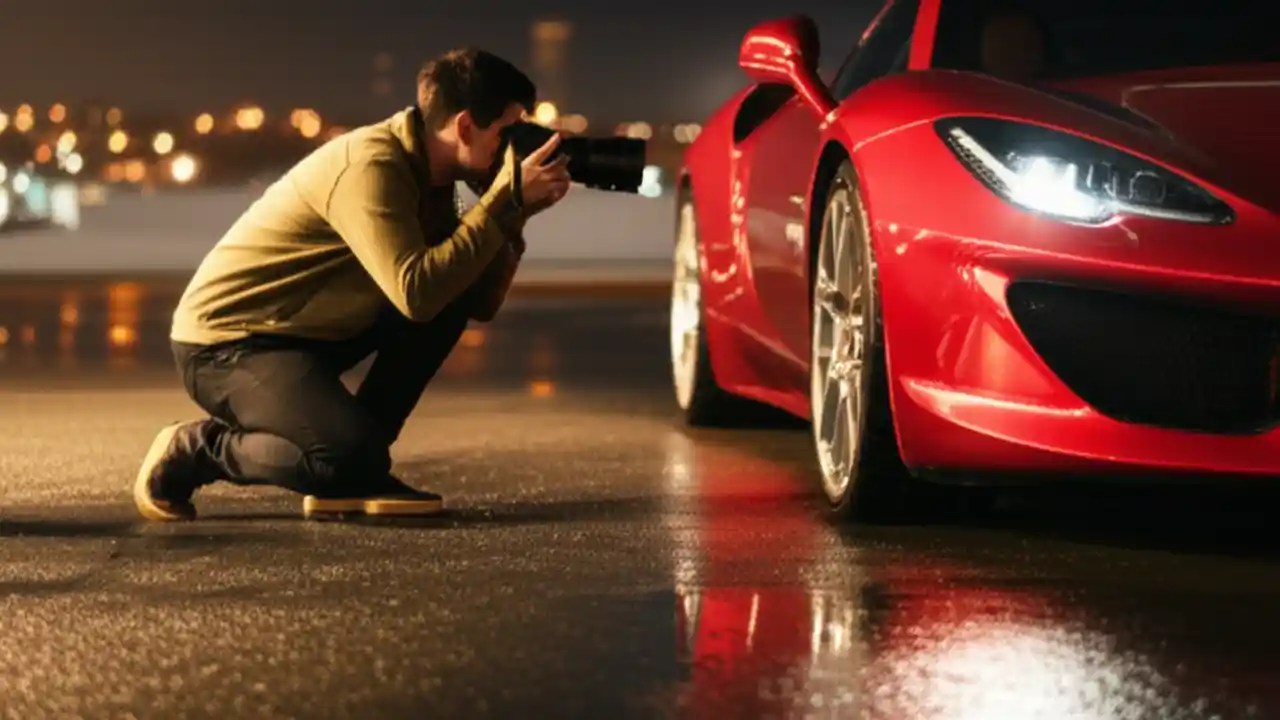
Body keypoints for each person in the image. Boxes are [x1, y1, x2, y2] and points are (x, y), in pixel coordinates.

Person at [132, 48, 571, 521]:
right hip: (228, 343)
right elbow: (416, 294)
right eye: (508, 134)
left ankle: (351, 465)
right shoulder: (374, 165)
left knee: (447, 296)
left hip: (305, 334)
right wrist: (501, 204)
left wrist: (513, 214)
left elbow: (476, 300)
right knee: (348, 455)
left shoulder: (438, 180)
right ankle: (196, 448)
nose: (514, 151)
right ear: (464, 126)